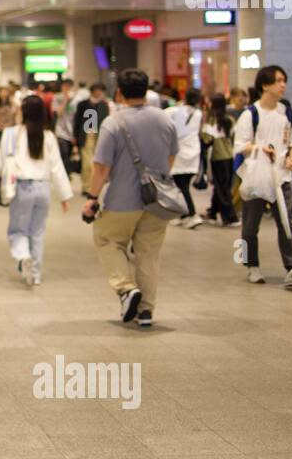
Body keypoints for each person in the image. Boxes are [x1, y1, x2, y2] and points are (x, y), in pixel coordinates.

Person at [84, 69, 177, 329]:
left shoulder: (113, 123)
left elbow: (101, 167)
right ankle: (146, 311)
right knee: (148, 254)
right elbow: (170, 159)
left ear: (120, 93)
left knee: (106, 239)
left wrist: (92, 197)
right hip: (157, 201)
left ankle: (126, 289)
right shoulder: (165, 120)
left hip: (122, 200)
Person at [235, 65, 292, 289]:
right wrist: (259, 149)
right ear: (265, 85)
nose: (283, 85)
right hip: (256, 177)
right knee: (249, 226)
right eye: (278, 80)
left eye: (284, 80)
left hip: (281, 177)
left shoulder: (288, 114)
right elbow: (239, 146)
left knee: (287, 222)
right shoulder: (250, 114)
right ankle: (250, 265)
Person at [0, 95, 72, 287]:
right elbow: (57, 167)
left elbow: (1, 164)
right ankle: (36, 274)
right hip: (43, 188)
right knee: (38, 232)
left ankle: (23, 257)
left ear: (23, 111)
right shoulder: (48, 136)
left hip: (22, 188)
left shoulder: (11, 134)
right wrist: (65, 196)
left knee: (18, 230)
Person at [201, 94, 240, 227]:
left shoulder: (212, 121)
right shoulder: (229, 119)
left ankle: (230, 217)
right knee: (223, 185)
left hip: (217, 157)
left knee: (221, 187)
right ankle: (212, 212)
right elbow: (235, 136)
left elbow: (206, 139)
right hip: (230, 156)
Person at [169, 88, 205, 229]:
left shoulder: (176, 111)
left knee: (181, 186)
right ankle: (183, 215)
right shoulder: (199, 113)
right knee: (183, 186)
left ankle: (192, 214)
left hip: (180, 152)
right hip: (194, 152)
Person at [73, 83, 110, 195]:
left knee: (98, 163)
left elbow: (106, 121)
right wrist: (75, 137)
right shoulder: (83, 104)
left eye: (101, 90)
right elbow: (77, 121)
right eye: (97, 90)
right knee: (87, 163)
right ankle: (86, 187)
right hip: (86, 135)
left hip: (99, 135)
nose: (99, 92)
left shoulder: (104, 105)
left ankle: (94, 186)